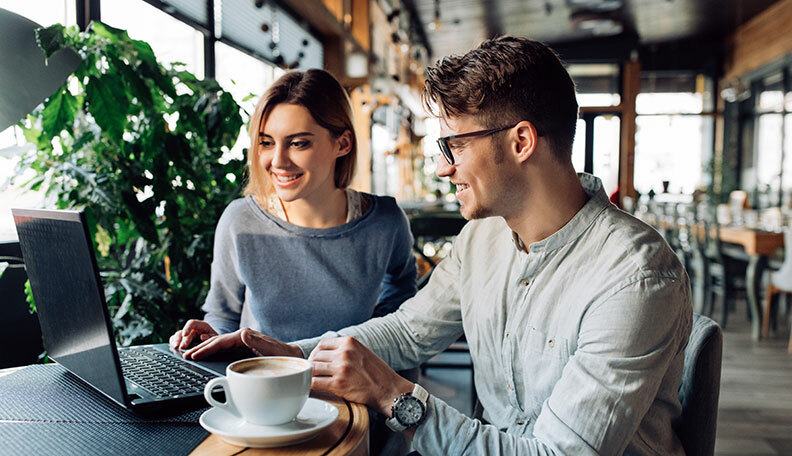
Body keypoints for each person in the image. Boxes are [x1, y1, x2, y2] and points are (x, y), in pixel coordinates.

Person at [183, 37, 692, 455]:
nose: (443, 167)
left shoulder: (634, 278)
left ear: (521, 142)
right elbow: (407, 332)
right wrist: (294, 357)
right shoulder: (482, 238)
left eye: (455, 145)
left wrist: (391, 393)